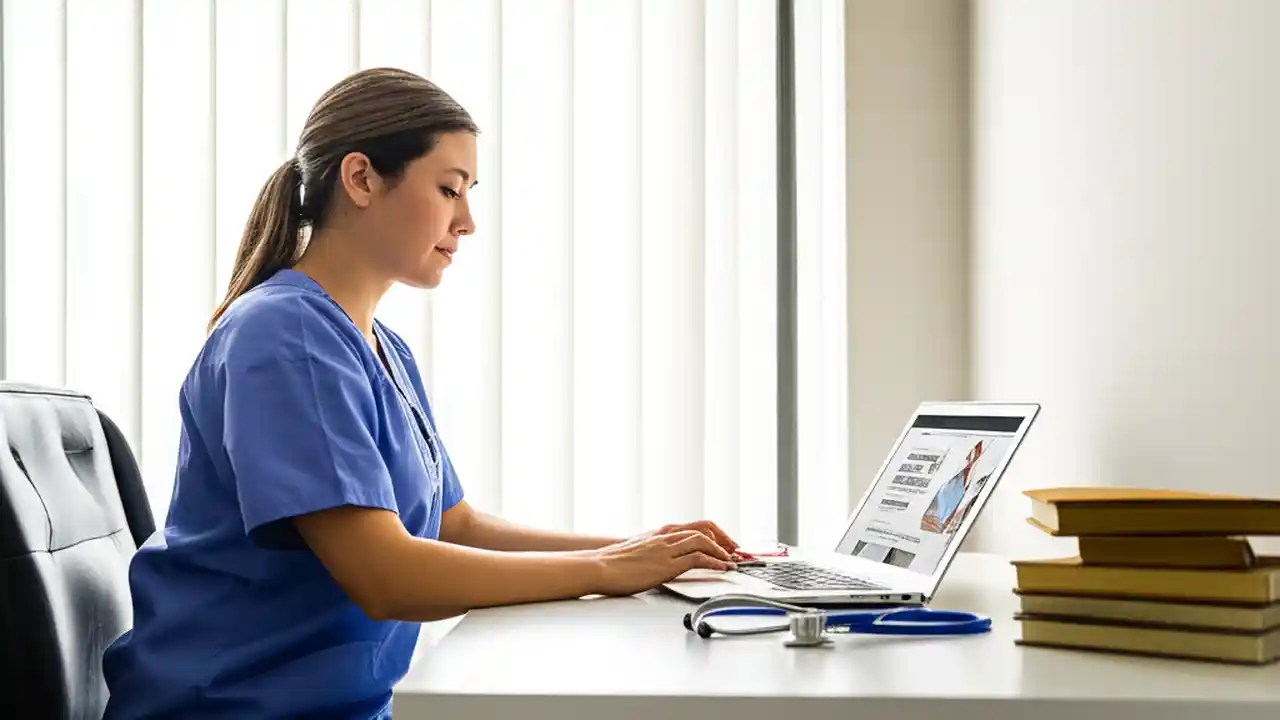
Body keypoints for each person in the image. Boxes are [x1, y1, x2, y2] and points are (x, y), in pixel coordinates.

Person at [102, 68, 739, 719]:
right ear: (360, 179)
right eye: (448, 189)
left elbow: (453, 523)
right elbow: (386, 576)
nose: (466, 222)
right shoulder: (283, 335)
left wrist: (638, 551)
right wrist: (606, 571)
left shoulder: (379, 345)